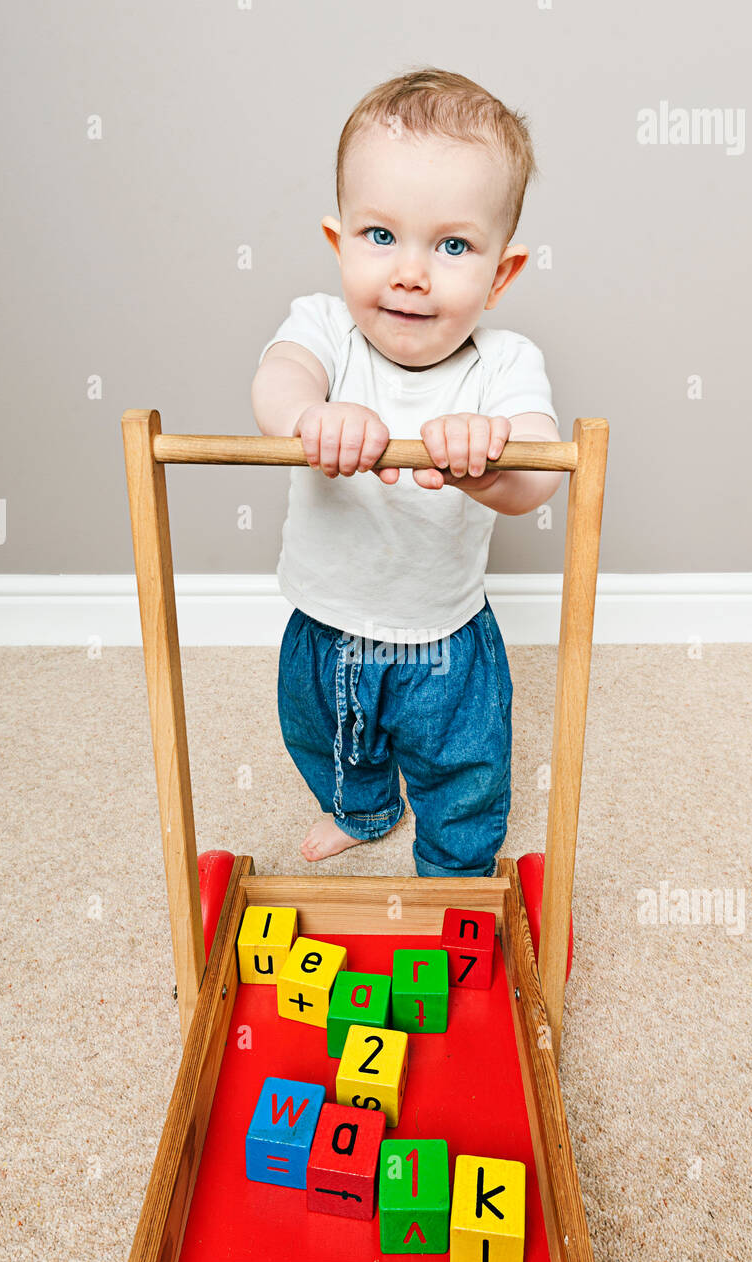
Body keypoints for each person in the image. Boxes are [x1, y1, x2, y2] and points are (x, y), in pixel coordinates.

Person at [251, 68, 563, 877]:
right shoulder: (321, 329)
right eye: (381, 236)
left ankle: (454, 873)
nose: (411, 272)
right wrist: (309, 417)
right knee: (321, 737)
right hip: (324, 623)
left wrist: (485, 464)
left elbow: (538, 477)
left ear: (501, 274)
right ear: (339, 242)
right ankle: (364, 809)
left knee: (464, 769)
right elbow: (276, 383)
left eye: (452, 245)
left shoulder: (504, 366)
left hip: (445, 640)